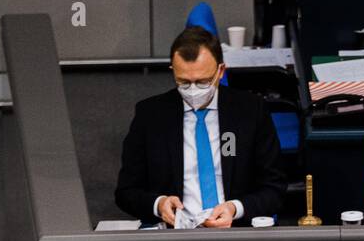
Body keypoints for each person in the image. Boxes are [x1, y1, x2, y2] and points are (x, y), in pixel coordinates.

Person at [115, 27, 285, 227]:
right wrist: (158, 204)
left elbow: (274, 189)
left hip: (235, 230)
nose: (193, 90)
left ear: (220, 71)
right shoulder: (150, 116)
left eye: (203, 82)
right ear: (173, 71)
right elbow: (126, 192)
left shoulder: (250, 111)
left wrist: (235, 208)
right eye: (184, 82)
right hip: (174, 233)